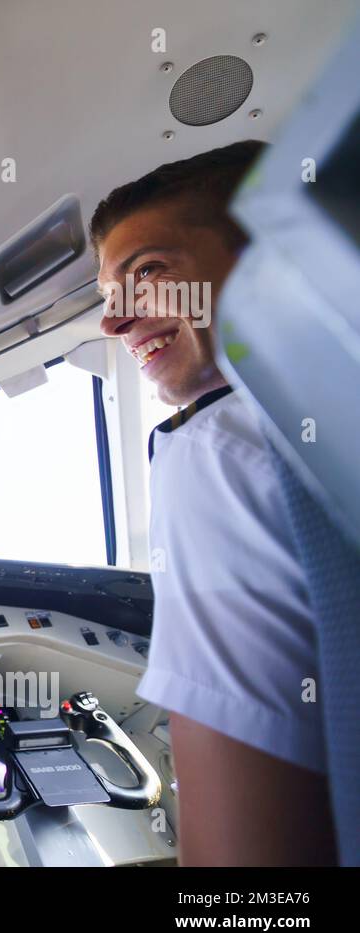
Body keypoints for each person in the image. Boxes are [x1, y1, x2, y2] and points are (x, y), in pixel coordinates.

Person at [92, 140, 335, 865]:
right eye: (109, 298)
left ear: (271, 262)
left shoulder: (215, 452)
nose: (115, 322)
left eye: (148, 273)